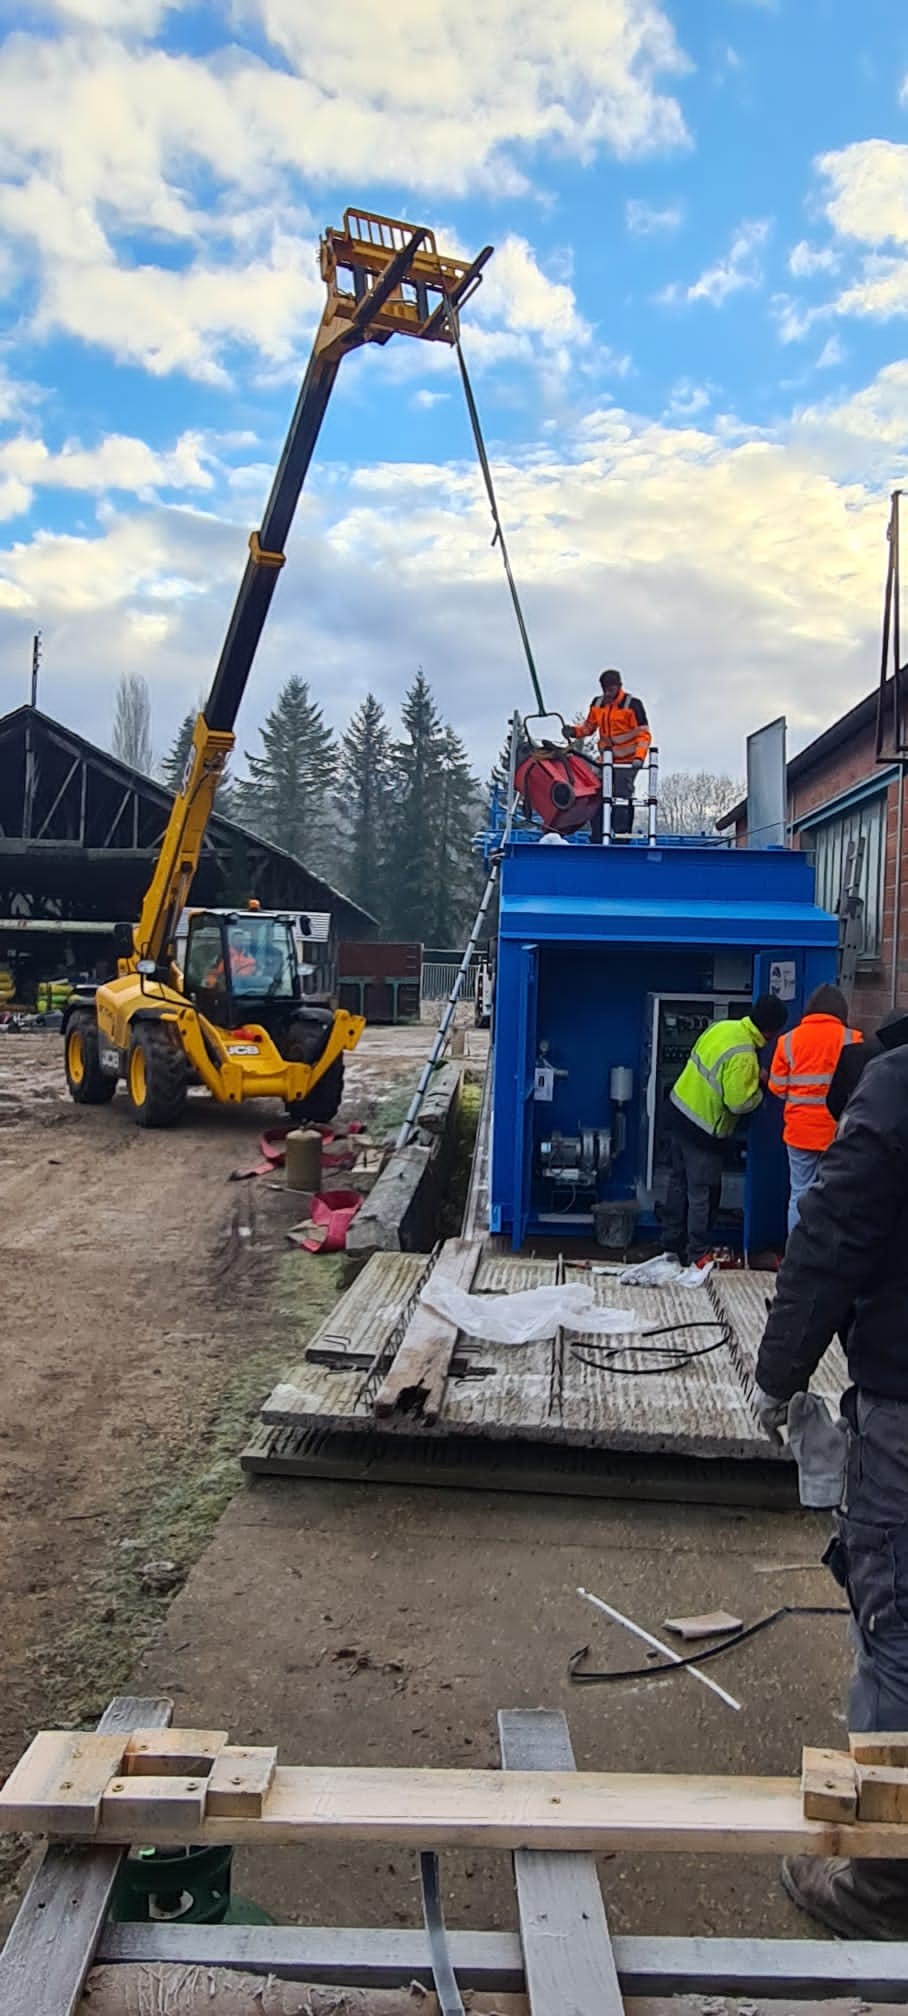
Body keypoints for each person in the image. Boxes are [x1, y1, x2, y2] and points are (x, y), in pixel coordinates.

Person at [753, 1042, 908, 1939]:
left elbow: (829, 1240)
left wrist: (779, 1377)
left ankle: (885, 1886)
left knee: (898, 1639)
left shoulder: (898, 1090)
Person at [662, 993, 788, 1265]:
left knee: (678, 1183)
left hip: (678, 1112)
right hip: (703, 1130)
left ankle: (671, 1245)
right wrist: (761, 1091)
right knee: (702, 1193)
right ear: (771, 1032)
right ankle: (698, 1253)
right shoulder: (745, 1055)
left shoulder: (723, 1027)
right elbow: (738, 1103)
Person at [767, 984, 862, 1236]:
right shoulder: (853, 1039)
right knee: (835, 1195)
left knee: (799, 1192)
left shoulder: (788, 1041)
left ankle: (796, 1251)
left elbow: (777, 1088)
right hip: (838, 1133)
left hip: (800, 1132)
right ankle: (828, 1252)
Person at [569, 668, 651, 840]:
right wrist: (574, 732)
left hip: (628, 761)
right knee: (597, 794)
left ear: (619, 686)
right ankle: (598, 836)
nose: (607, 693)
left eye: (611, 689)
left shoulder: (632, 705)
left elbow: (644, 735)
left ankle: (622, 838)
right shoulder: (598, 704)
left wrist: (639, 757)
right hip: (606, 760)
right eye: (605, 689)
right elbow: (589, 727)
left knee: (621, 796)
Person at [827, 1007, 908, 1122]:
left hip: (859, 1124)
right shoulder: (899, 1059)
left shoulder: (852, 1053)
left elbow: (834, 1100)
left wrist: (850, 1119)